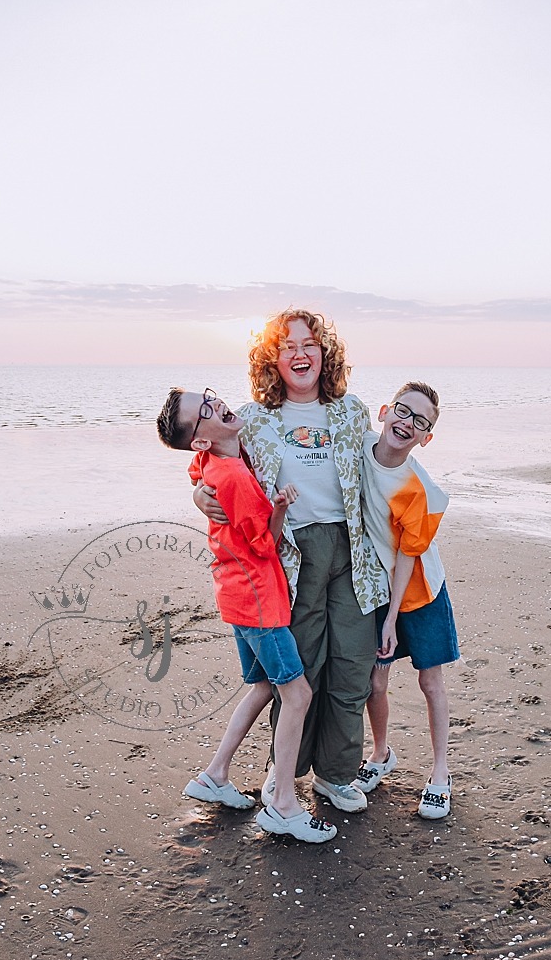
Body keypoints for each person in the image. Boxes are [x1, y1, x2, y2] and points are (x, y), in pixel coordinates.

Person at [194, 310, 389, 814]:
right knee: (303, 667)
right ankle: (284, 780)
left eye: (309, 344)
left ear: (325, 353)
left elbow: (383, 467)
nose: (299, 354)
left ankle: (337, 775)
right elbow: (210, 457)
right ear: (272, 360)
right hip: (291, 556)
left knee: (352, 667)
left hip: (354, 551)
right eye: (287, 347)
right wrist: (198, 491)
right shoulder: (254, 417)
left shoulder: (352, 412)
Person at [157, 385, 335, 843]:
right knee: (296, 695)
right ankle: (283, 805)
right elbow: (266, 544)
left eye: (210, 397)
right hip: (259, 600)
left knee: (260, 687)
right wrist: (278, 508)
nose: (217, 405)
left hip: (234, 597)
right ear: (200, 438)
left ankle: (214, 775)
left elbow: (196, 469)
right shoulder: (233, 476)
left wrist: (199, 488)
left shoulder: (211, 463)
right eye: (205, 410)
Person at [355, 382, 458, 819]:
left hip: (420, 594)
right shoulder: (356, 448)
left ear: (426, 438)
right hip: (376, 588)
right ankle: (380, 754)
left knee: (429, 682)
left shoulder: (417, 489)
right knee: (375, 682)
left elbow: (405, 561)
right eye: (403, 411)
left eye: (420, 422)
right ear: (383, 411)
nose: (407, 423)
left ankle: (440, 772)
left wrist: (391, 621)